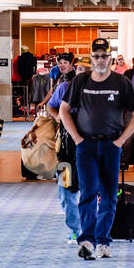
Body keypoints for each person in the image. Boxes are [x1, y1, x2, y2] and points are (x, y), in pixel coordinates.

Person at [58, 38, 134, 260]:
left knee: (108, 196)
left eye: (104, 56)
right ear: (91, 58)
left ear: (110, 59)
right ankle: (87, 240)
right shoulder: (80, 82)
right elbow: (64, 110)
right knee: (88, 193)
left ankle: (103, 241)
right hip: (85, 146)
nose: (100, 59)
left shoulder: (121, 82)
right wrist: (77, 138)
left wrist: (120, 141)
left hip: (111, 145)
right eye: (96, 56)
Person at [47, 59, 89, 245]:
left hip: (91, 149)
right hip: (65, 150)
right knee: (66, 190)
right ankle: (75, 228)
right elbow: (51, 105)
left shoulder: (101, 91)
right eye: (80, 68)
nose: (82, 72)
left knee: (92, 189)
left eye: (86, 70)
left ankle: (91, 228)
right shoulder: (64, 87)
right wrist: (59, 118)